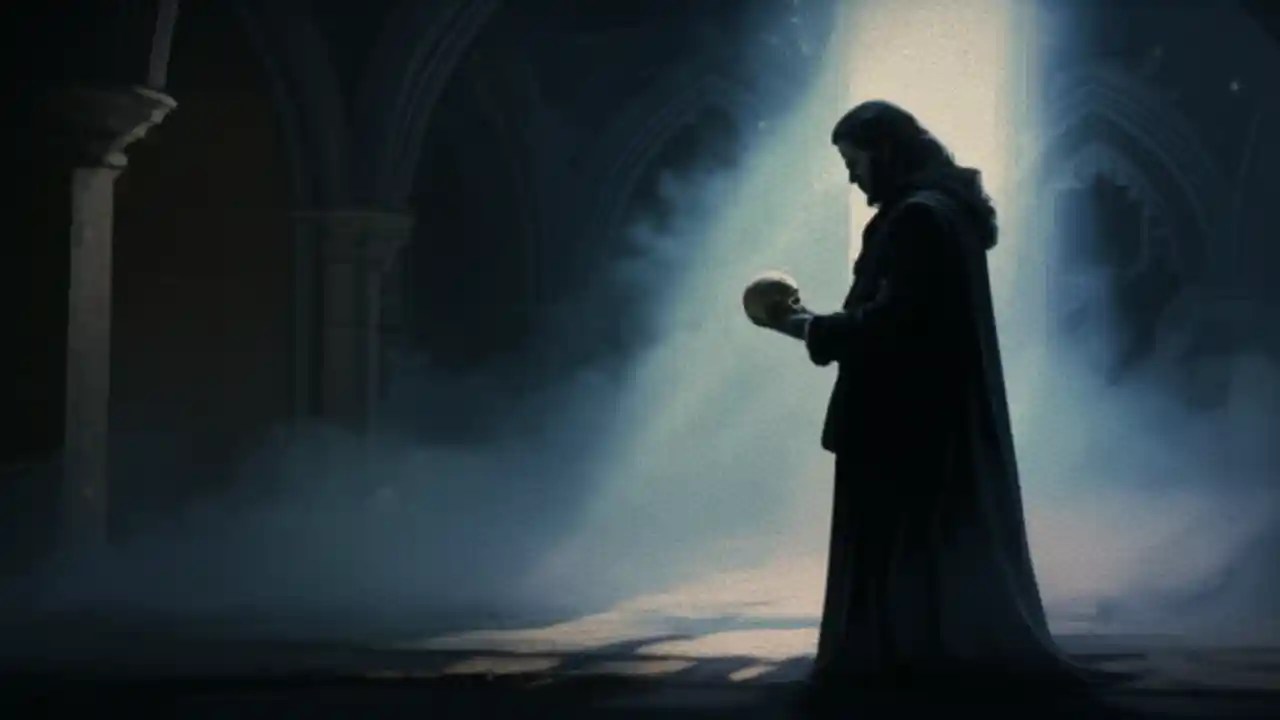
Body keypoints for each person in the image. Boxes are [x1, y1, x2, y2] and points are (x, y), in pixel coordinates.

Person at [751, 100, 1098, 692]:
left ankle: (902, 671)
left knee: (902, 550)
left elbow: (893, 328)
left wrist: (804, 326)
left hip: (902, 425)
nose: (851, 175)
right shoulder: (939, 214)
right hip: (923, 422)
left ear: (882, 150)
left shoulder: (918, 219)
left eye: (851, 159)